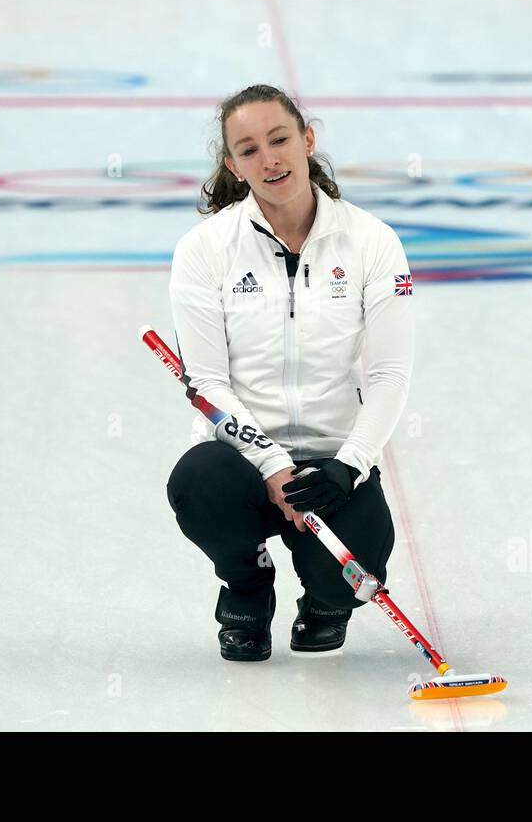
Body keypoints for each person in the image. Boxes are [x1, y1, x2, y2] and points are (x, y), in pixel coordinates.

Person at [165, 84, 416, 661]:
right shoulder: (204, 249)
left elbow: (389, 375)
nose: (269, 159)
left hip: (334, 462)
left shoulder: (372, 242)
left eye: (279, 139)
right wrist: (273, 465)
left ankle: (324, 604)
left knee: (354, 567)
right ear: (233, 164)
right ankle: (247, 592)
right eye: (249, 149)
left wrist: (348, 466)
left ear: (307, 139)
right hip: (243, 461)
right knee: (201, 481)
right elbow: (207, 384)